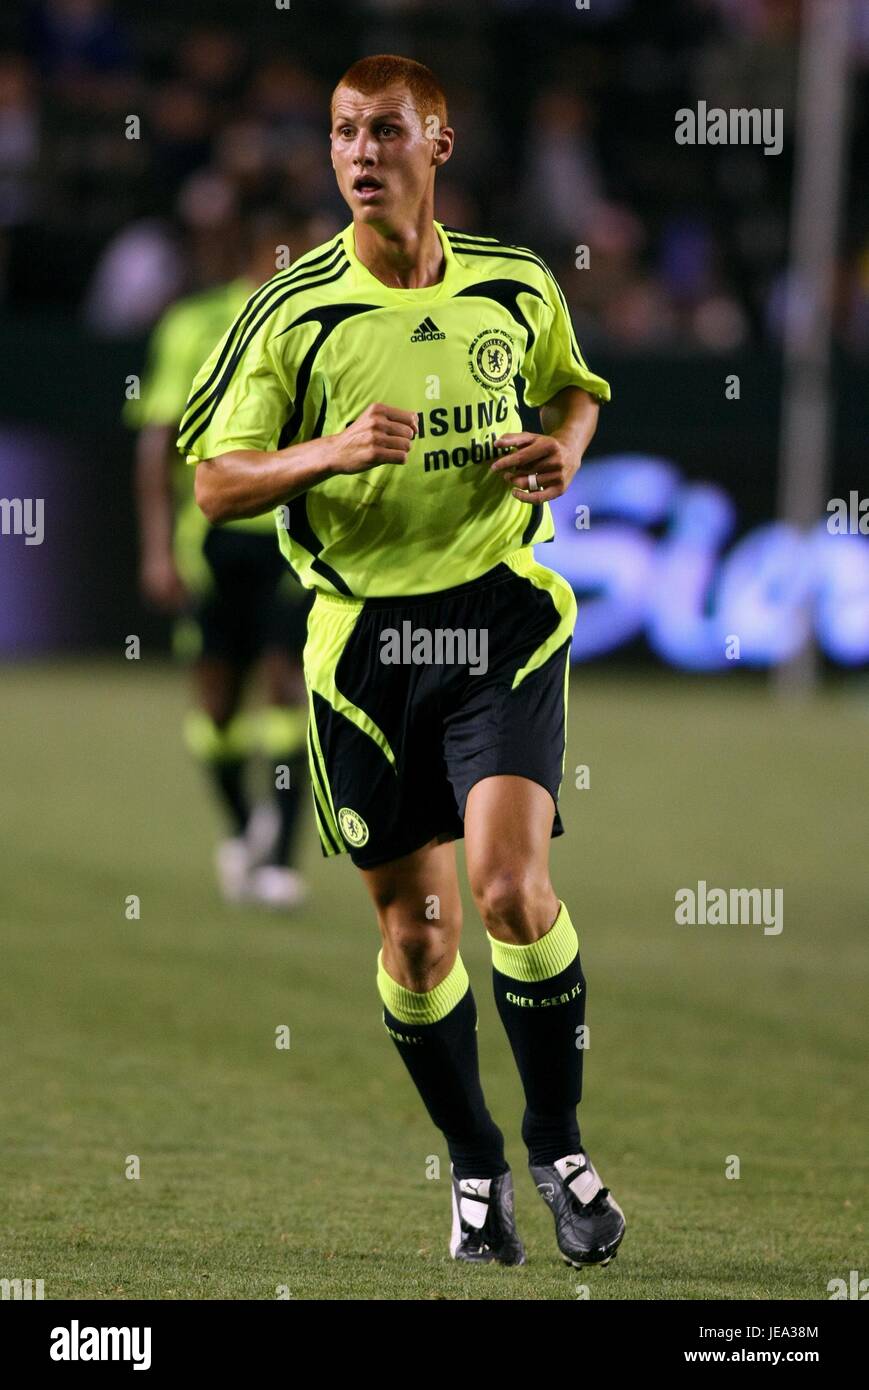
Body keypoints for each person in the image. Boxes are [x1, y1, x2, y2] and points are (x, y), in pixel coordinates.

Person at [179, 54, 625, 1266]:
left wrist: (564, 449)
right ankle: (475, 1162)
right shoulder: (292, 309)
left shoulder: (516, 286)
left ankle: (558, 1144)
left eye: (383, 131)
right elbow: (215, 479)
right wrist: (323, 453)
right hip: (364, 654)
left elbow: (577, 391)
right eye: (340, 133)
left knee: (506, 888)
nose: (358, 153)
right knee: (419, 941)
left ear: (438, 144)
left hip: (498, 618)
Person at [127, 216, 314, 909]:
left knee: (287, 684)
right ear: (261, 249)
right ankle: (244, 830)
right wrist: (154, 549)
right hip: (211, 536)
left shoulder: (328, 320)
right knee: (216, 701)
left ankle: (281, 862)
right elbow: (156, 440)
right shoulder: (195, 323)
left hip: (298, 536)